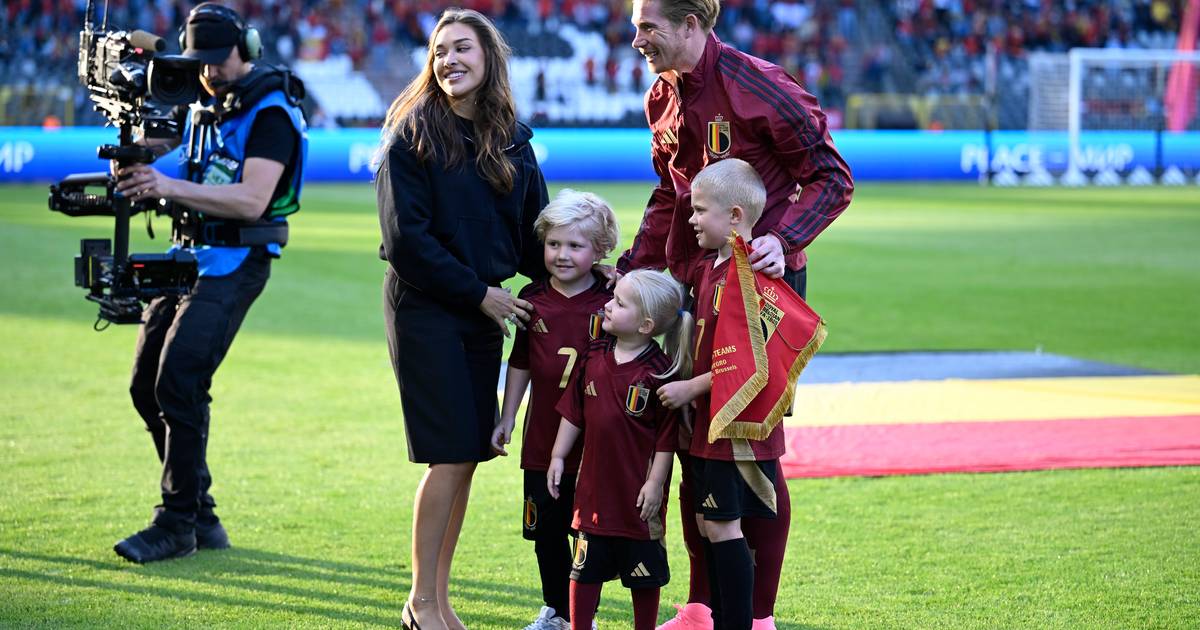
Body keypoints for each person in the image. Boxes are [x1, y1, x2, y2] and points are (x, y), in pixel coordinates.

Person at [620, 1, 854, 627]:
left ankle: (758, 615)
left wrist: (784, 237)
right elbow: (670, 197)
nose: (636, 39)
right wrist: (632, 267)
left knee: (752, 447)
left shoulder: (760, 85)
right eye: (636, 26)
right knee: (697, 437)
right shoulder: (660, 100)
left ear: (691, 25)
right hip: (696, 283)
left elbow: (832, 177)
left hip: (764, 291)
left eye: (649, 27)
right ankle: (701, 607)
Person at [112, 2, 307, 564]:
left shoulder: (269, 111)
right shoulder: (205, 106)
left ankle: (176, 523)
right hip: (189, 255)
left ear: (244, 50)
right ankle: (201, 516)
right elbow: (178, 165)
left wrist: (163, 186)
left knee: (179, 379)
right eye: (199, 62)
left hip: (237, 261)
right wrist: (141, 164)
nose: (208, 72)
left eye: (217, 62)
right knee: (145, 386)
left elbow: (251, 199)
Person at [374, 9, 548, 630]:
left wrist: (588, 274)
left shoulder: (514, 141)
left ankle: (439, 600)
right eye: (439, 51)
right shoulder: (411, 134)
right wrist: (480, 295)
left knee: (469, 455)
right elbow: (406, 243)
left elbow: (534, 240)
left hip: (482, 312)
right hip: (427, 311)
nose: (449, 59)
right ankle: (421, 603)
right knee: (449, 455)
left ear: (489, 58)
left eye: (462, 48)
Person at [491, 189, 620, 630]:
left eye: (575, 245)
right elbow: (521, 361)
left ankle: (584, 614)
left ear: (600, 250)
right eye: (554, 244)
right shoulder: (532, 297)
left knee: (589, 531)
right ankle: (557, 611)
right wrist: (508, 418)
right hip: (543, 438)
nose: (562, 255)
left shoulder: (613, 299)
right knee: (545, 530)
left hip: (596, 440)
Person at [657, 159, 773, 630]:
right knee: (709, 525)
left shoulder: (750, 277)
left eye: (701, 210)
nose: (692, 219)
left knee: (724, 526)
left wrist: (689, 388)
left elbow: (748, 365)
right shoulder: (709, 267)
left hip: (734, 430)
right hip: (709, 422)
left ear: (735, 217)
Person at [546, 269, 693, 630]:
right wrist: (557, 456)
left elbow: (665, 440)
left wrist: (654, 484)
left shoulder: (660, 372)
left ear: (645, 325)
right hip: (593, 493)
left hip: (637, 499)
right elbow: (574, 412)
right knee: (583, 570)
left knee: (643, 574)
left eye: (619, 303)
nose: (607, 306)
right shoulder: (593, 356)